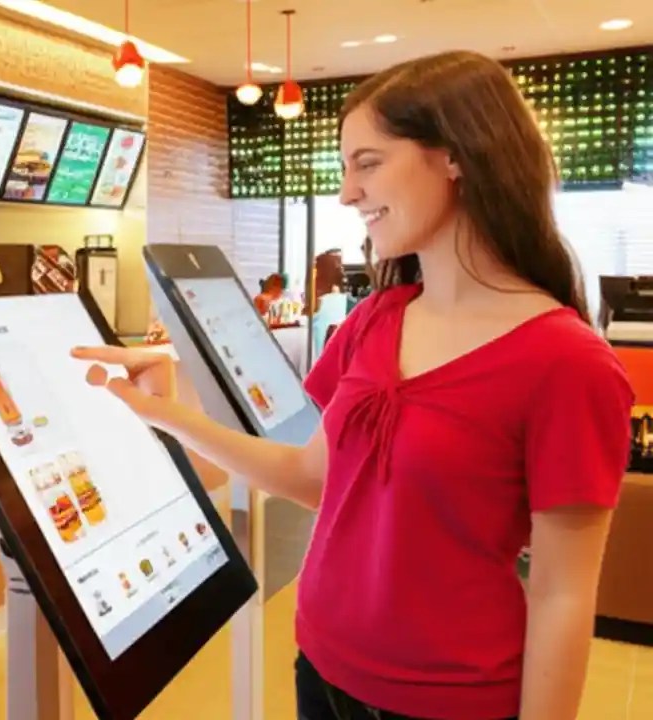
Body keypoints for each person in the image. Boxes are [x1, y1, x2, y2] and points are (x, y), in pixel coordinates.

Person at [73, 50, 633, 720]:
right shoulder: (375, 320)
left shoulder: (567, 362)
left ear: (457, 155)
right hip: (323, 670)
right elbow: (313, 478)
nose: (346, 193)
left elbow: (563, 594)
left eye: (367, 164)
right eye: (344, 168)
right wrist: (167, 416)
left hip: (454, 700)